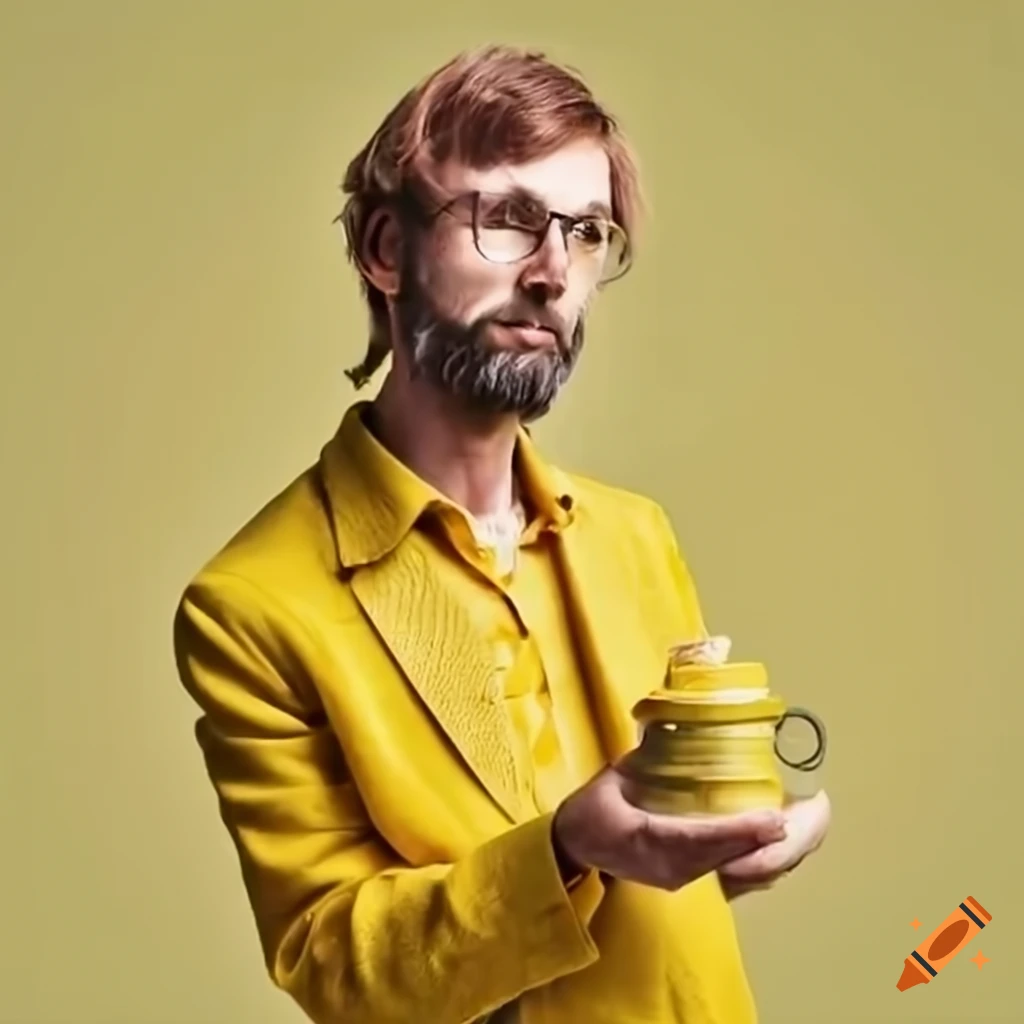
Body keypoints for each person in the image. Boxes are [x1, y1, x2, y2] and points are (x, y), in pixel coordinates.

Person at [172, 44, 831, 1024]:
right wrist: (566, 848)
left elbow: (649, 875)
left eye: (587, 230)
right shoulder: (251, 607)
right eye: (508, 218)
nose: (553, 271)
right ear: (386, 250)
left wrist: (735, 833)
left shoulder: (636, 535)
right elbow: (337, 967)